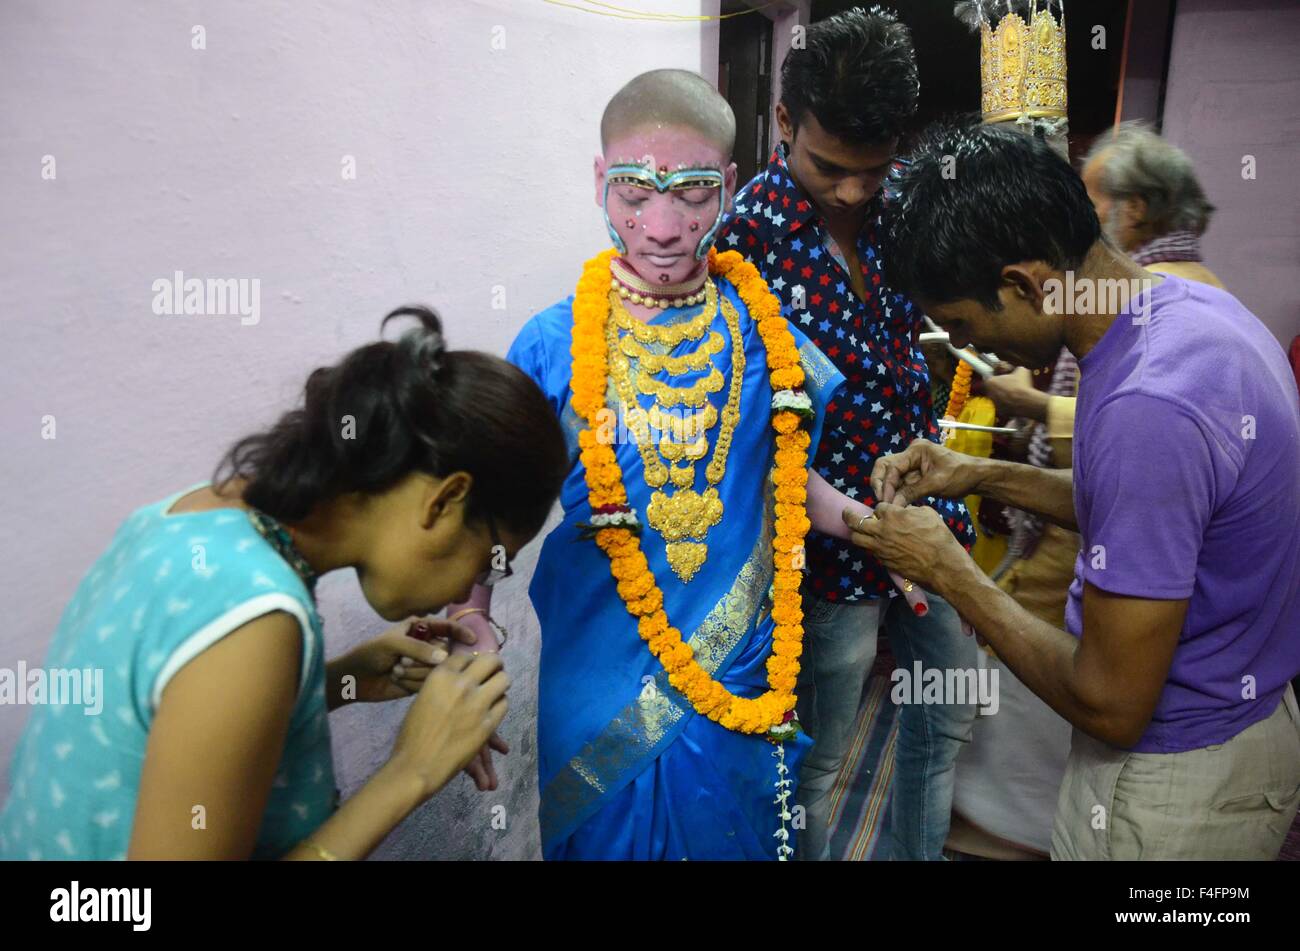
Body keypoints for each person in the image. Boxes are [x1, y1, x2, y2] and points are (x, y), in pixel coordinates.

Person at [448, 68, 883, 860]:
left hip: (738, 669)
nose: (660, 225)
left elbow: (789, 479)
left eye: (689, 192)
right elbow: (495, 508)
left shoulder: (764, 333)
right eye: (632, 190)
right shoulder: (550, 344)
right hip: (596, 670)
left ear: (728, 185)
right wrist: (471, 611)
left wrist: (884, 532)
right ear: (597, 183)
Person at [851, 121, 1300, 859]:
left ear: (1025, 282)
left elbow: (1112, 702)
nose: (979, 350)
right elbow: (1144, 516)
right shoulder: (1184, 314)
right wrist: (981, 471)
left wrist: (949, 572)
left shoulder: (1147, 403)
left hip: (1173, 790)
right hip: (1245, 726)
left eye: (965, 323)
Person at [0, 307, 568, 860]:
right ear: (444, 500)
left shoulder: (194, 514)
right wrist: (411, 772)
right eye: (491, 558)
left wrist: (339, 682)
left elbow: (172, 717)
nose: (472, 583)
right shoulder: (257, 618)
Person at [718, 6, 977, 860]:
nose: (855, 191)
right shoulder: (743, 243)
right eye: (831, 168)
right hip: (823, 549)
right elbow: (746, 432)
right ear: (784, 122)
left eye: (874, 169)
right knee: (819, 759)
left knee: (942, 720)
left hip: (930, 518)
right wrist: (857, 522)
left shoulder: (897, 207)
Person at [1080, 121, 1225, 289]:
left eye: (1091, 204)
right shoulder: (1210, 284)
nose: (1083, 218)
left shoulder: (1141, 293)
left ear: (1135, 208)